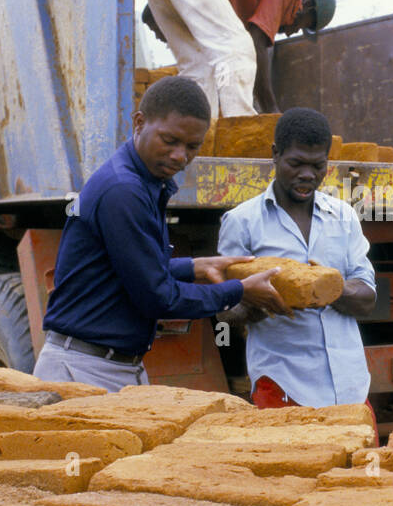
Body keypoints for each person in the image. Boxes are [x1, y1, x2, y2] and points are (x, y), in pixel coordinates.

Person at [34, 76, 287, 391]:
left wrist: (195, 267)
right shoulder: (123, 191)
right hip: (84, 370)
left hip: (114, 366)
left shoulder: (144, 182)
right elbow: (158, 298)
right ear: (139, 123)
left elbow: (129, 270)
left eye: (192, 146)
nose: (181, 156)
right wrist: (238, 290)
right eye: (170, 141)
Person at [217, 107, 377, 411]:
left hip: (350, 387)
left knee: (363, 460)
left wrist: (326, 289)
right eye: (296, 163)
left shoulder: (343, 216)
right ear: (275, 154)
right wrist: (264, 302)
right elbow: (224, 313)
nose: (307, 175)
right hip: (282, 386)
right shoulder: (242, 222)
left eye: (318, 166)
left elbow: (367, 299)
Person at [138, 0, 336, 120]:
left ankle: (201, 140)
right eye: (301, 25)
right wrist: (270, 110)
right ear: (307, 5)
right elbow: (256, 41)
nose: (292, 32)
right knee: (237, 47)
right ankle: (239, 125)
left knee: (197, 66)